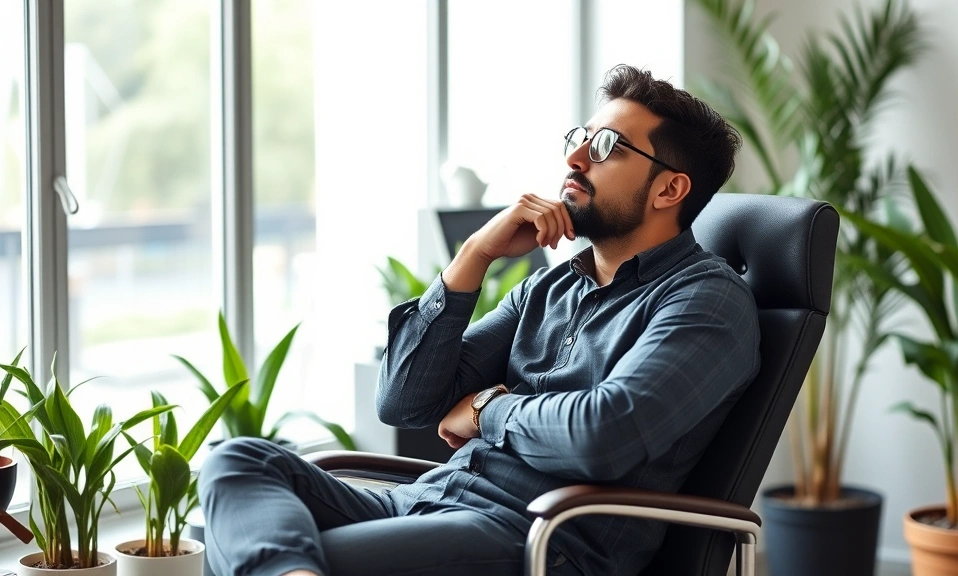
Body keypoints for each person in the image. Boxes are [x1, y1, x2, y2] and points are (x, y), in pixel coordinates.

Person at [198, 64, 760, 576]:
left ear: (669, 188)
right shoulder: (550, 287)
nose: (576, 159)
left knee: (296, 558)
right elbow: (403, 402)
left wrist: (486, 410)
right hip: (428, 502)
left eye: (607, 145)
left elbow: (604, 435)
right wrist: (474, 255)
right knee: (238, 461)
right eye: (579, 139)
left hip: (538, 536)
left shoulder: (706, 300)